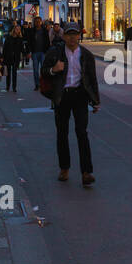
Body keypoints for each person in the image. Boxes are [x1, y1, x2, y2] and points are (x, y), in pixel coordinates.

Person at [42, 22, 100, 187]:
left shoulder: (86, 55)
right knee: (62, 133)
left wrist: (95, 101)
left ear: (79, 36)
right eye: (69, 34)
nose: (72, 37)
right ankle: (64, 168)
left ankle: (86, 172)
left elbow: (92, 79)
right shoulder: (56, 52)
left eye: (75, 34)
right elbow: (43, 71)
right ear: (64, 36)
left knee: (82, 132)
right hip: (62, 97)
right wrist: (54, 69)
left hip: (80, 96)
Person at [1, 23, 23, 92]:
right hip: (8, 57)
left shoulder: (20, 38)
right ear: (14, 30)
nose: (18, 31)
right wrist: (3, 57)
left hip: (16, 57)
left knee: (14, 73)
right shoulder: (9, 37)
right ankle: (8, 86)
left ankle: (14, 87)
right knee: (8, 73)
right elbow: (5, 48)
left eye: (19, 30)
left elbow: (21, 48)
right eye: (17, 29)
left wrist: (25, 54)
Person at [30, 17, 50, 90]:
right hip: (35, 53)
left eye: (39, 21)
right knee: (35, 70)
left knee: (43, 70)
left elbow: (47, 41)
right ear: (34, 22)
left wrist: (47, 51)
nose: (37, 23)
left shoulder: (44, 31)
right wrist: (30, 51)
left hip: (42, 52)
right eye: (36, 21)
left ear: (41, 22)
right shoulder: (32, 31)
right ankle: (37, 84)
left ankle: (43, 84)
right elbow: (30, 41)